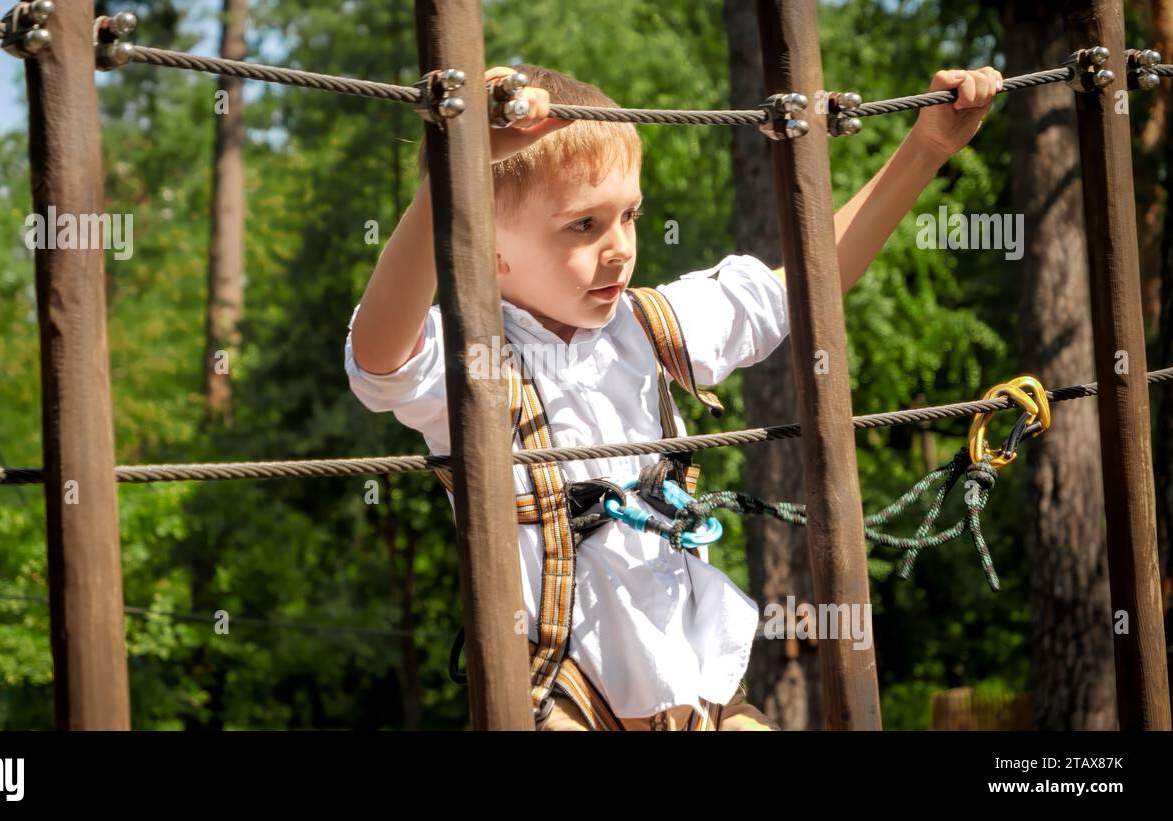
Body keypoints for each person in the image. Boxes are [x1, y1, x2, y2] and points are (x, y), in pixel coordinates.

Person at [345, 62, 1002, 730]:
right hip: (561, 697)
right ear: (486, 247)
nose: (620, 249)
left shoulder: (650, 325)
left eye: (628, 215)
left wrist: (926, 150)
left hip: (698, 693)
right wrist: (449, 188)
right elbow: (379, 358)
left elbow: (803, 288)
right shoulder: (475, 362)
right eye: (584, 226)